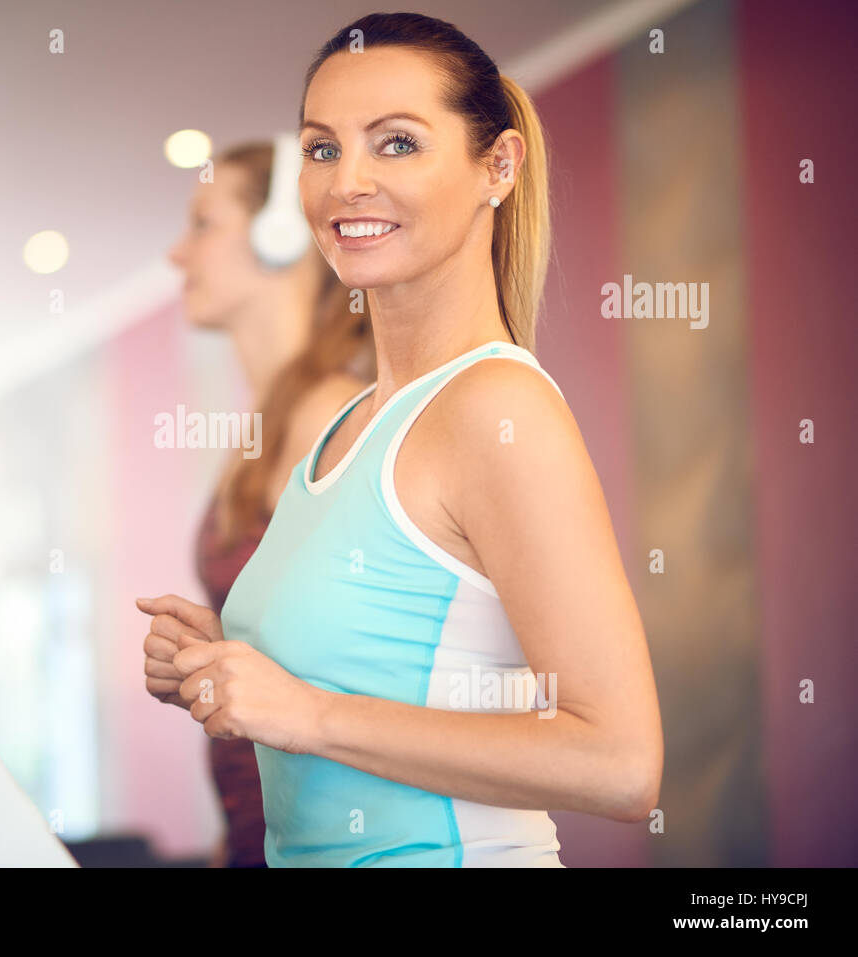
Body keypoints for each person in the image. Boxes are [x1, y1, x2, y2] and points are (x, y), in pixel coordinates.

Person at [138, 12, 663, 866]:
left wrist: (304, 713)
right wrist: (226, 662)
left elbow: (621, 763)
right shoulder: (346, 429)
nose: (346, 182)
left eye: (396, 144)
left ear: (498, 166)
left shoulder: (496, 407)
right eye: (320, 148)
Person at [146, 137, 374, 867]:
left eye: (202, 224)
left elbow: (369, 665)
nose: (177, 256)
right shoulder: (261, 430)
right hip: (261, 833)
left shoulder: (333, 415)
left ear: (281, 235)